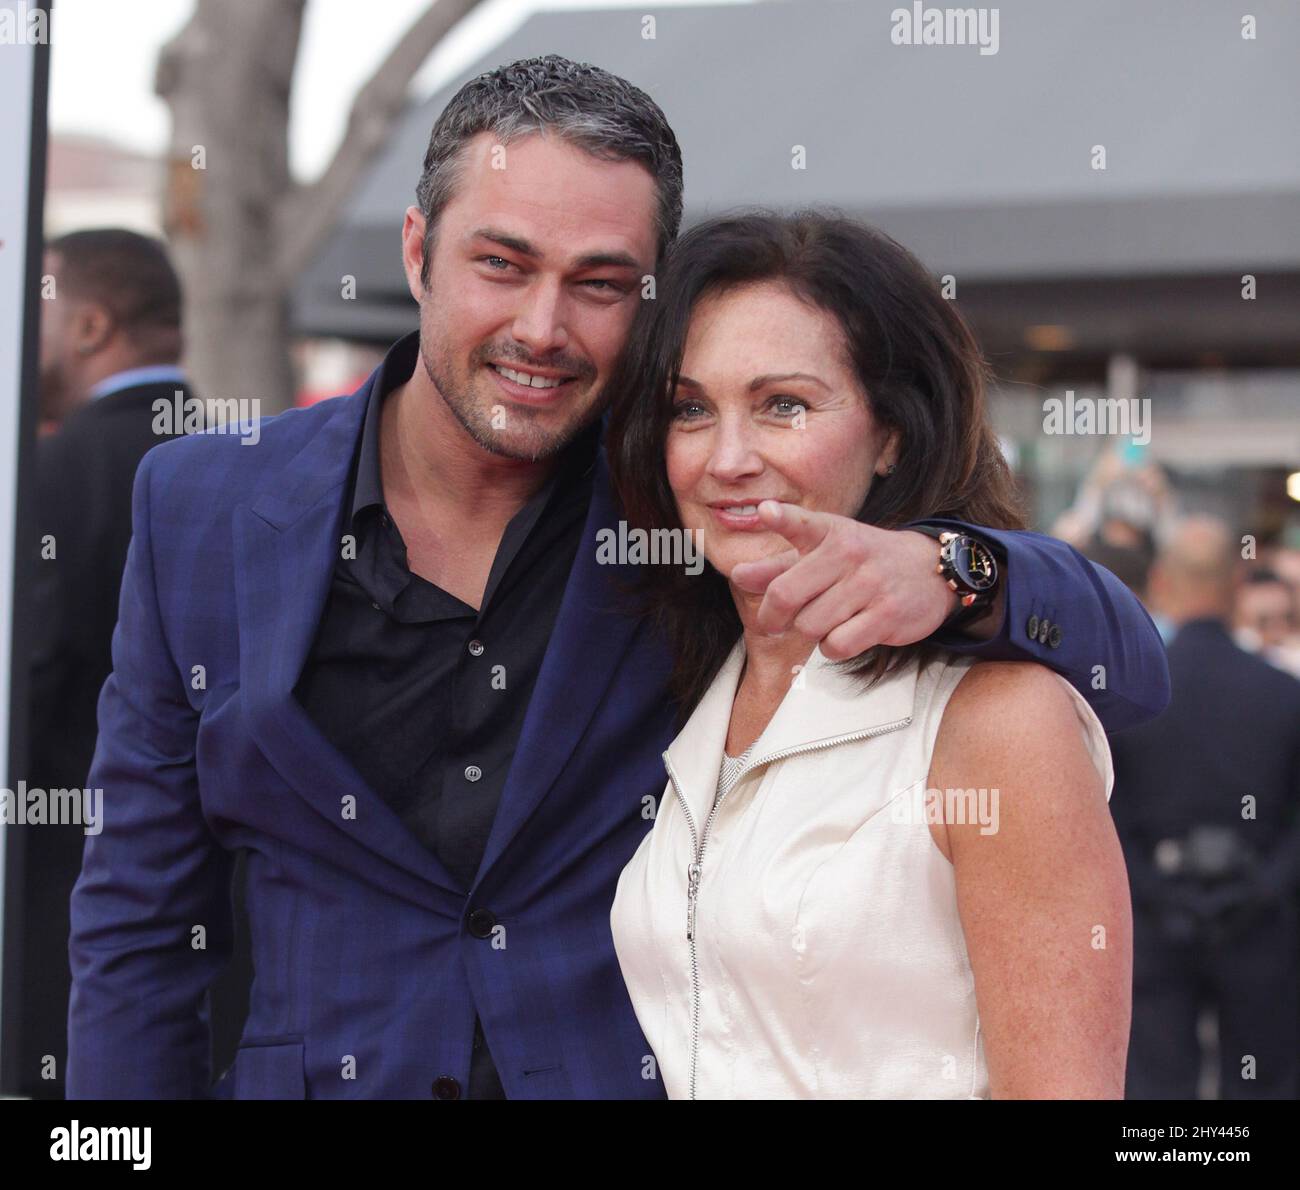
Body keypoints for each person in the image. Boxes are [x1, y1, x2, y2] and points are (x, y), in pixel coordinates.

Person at [67, 55, 1167, 1100]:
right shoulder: (201, 504)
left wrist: (954, 564)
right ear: (416, 251)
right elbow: (137, 920)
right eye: (501, 264)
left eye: (599, 283)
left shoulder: (678, 492)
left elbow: (1130, 670)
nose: (541, 329)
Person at [607, 211, 1133, 1099]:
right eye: (691, 410)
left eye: (784, 405)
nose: (727, 459)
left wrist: (956, 568)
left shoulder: (996, 720)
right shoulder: (683, 694)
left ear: (892, 433)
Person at [22, 229, 194, 1097]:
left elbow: (27, 684)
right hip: (224, 934)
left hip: (67, 917)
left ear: (90, 326)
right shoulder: (245, 461)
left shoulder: (49, 474)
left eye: (39, 307)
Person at [1109, 518, 1300, 1099]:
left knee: (1158, 1093)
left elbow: (1110, 819)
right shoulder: (1283, 694)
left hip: (1157, 925)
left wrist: (1157, 891)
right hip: (1261, 926)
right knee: (1262, 1085)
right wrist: (1263, 887)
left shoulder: (1130, 698)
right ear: (1236, 583)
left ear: (1162, 582)